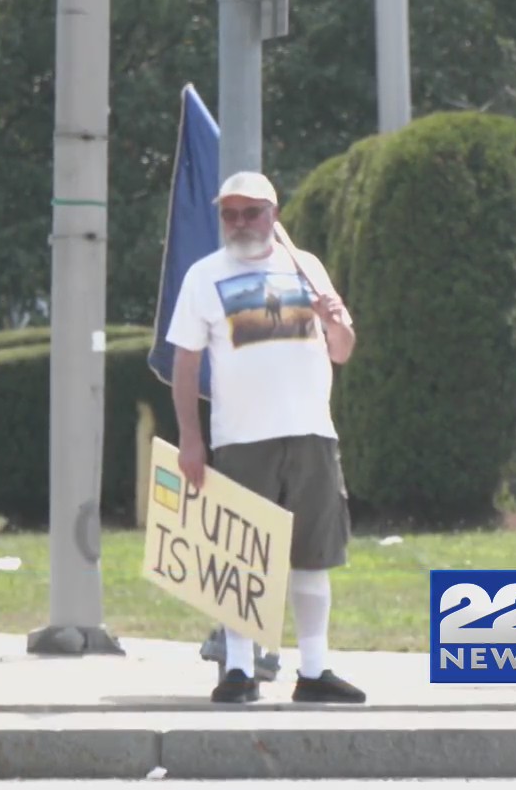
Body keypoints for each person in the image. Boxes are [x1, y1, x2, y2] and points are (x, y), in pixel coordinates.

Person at [165, 171, 366, 705]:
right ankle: (237, 668)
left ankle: (315, 671)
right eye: (229, 213)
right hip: (241, 439)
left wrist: (335, 322)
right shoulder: (203, 277)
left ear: (273, 215)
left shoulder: (307, 268)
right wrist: (191, 439)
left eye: (250, 212)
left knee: (311, 555)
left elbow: (342, 349)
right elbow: (184, 367)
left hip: (311, 433)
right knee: (239, 558)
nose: (239, 223)